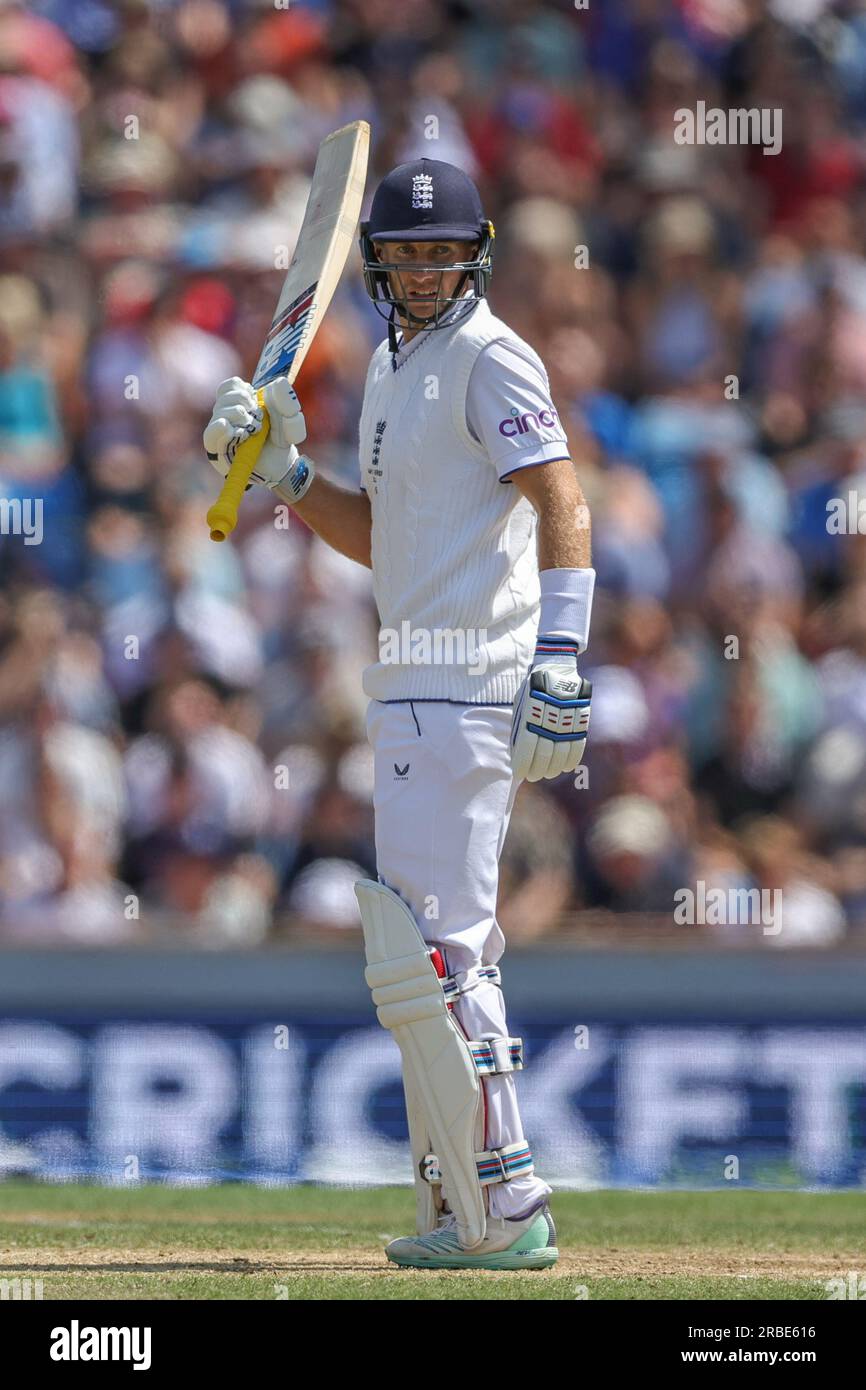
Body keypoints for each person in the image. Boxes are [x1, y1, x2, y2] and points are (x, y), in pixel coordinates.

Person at [203, 157, 594, 1270]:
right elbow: (384, 539)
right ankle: (453, 1201)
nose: (423, 271)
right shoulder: (388, 365)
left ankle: (507, 1205)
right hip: (410, 681)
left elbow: (561, 501)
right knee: (417, 954)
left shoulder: (489, 354)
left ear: (472, 254)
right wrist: (284, 473)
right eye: (405, 253)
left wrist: (559, 664)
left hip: (470, 682)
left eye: (441, 251)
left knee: (440, 957)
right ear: (378, 262)